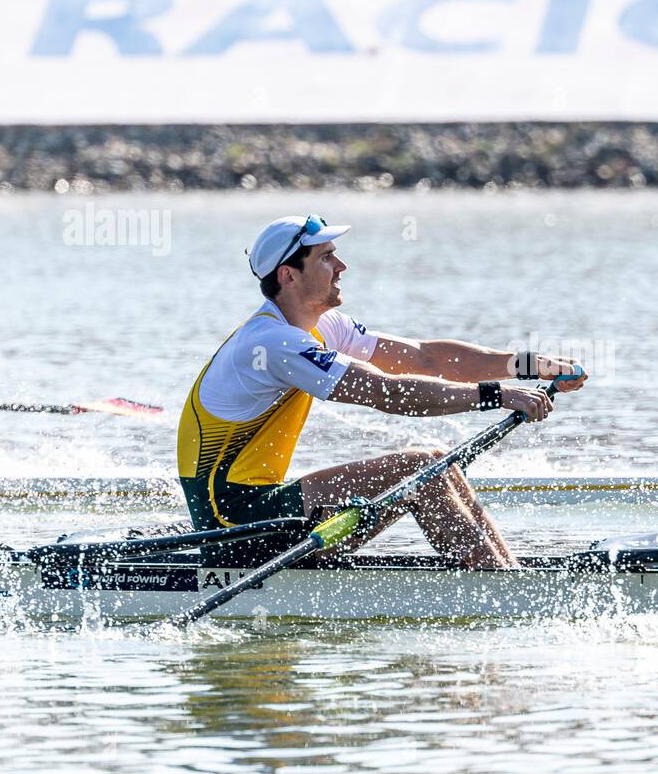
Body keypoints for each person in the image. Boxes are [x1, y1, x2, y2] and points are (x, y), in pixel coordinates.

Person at [177, 214, 586, 569]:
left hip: (265, 509)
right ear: (288, 275)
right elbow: (387, 394)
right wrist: (498, 395)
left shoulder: (323, 326)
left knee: (436, 463)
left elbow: (425, 359)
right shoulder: (271, 343)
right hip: (235, 526)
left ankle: (504, 574)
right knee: (418, 471)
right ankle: (507, 596)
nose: (342, 265)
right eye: (325, 257)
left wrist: (527, 365)